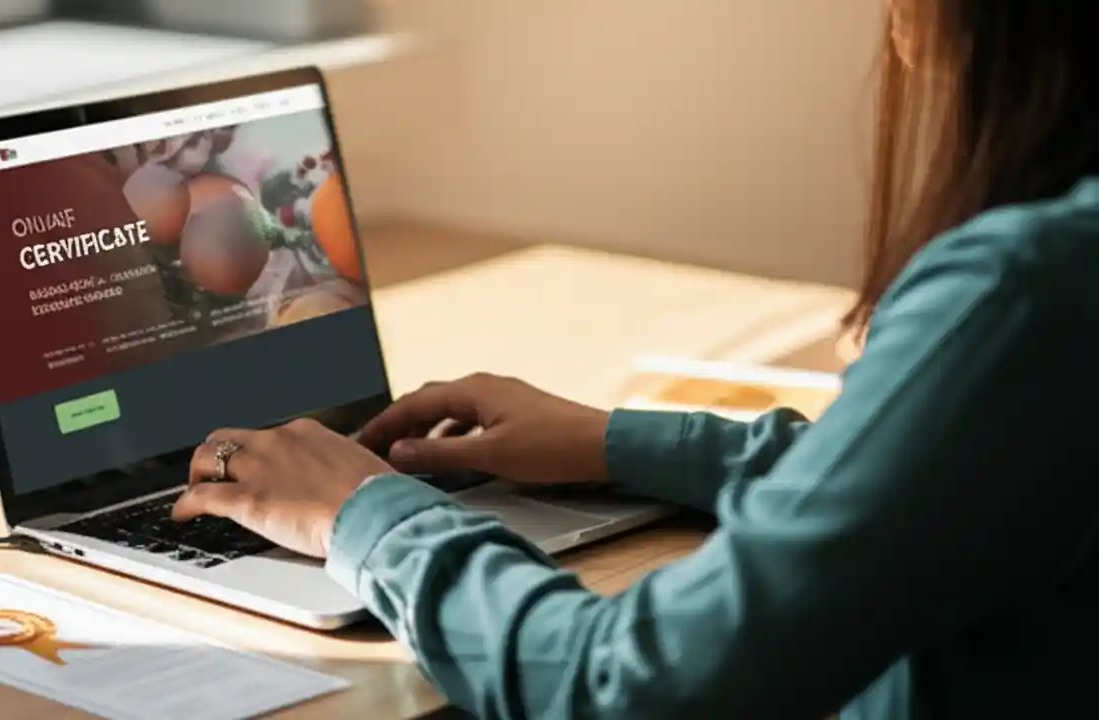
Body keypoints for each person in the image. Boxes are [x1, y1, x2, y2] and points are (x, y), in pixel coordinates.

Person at [171, 1, 1099, 717]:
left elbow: (628, 685)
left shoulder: (1024, 293)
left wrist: (365, 517)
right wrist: (620, 442)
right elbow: (960, 471)